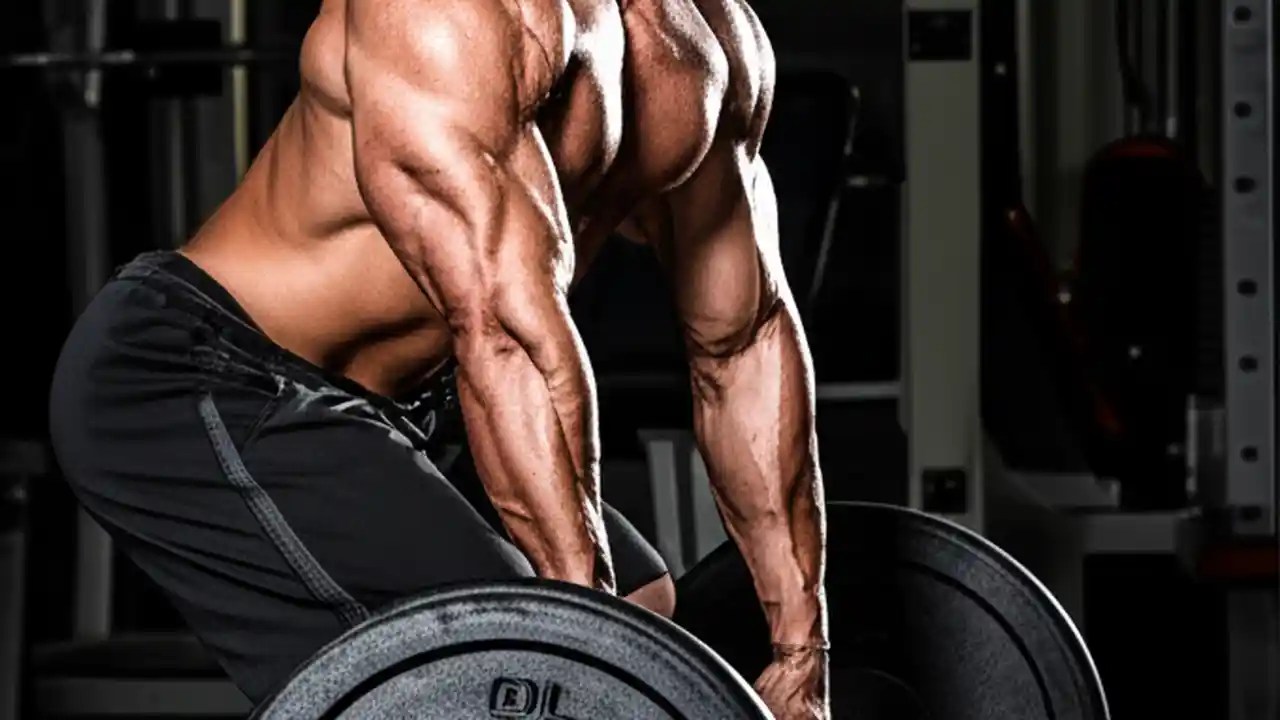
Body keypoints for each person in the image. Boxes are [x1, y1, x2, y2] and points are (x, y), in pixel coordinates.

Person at [48, 0, 829, 716]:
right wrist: (586, 665)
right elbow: (499, 329)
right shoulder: (442, 16)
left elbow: (744, 339)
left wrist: (801, 653)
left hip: (408, 404)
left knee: (647, 601)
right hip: (203, 373)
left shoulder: (707, 43)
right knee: (508, 673)